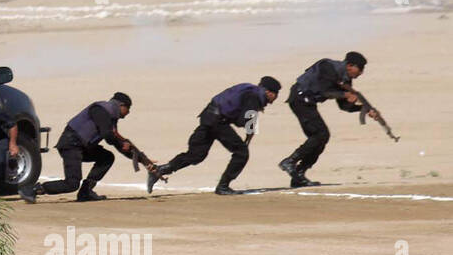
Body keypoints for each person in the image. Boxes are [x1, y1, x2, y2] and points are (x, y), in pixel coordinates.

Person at [147, 76, 281, 195]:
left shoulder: (248, 89)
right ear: (268, 91)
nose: (276, 97)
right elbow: (246, 120)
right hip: (218, 121)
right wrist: (249, 135)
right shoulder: (254, 97)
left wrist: (248, 128)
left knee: (196, 155)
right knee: (242, 153)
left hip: (208, 116)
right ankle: (223, 186)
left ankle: (160, 170)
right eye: (276, 93)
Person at [279, 51, 376, 187]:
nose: (361, 73)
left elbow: (344, 106)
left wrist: (363, 109)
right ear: (350, 65)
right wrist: (345, 94)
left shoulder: (346, 79)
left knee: (321, 137)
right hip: (299, 98)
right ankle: (290, 162)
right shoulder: (328, 67)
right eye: (360, 69)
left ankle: (298, 175)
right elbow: (324, 91)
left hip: (308, 102)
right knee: (321, 134)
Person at [33, 92, 149, 202]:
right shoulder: (101, 110)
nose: (128, 112)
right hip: (71, 146)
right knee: (72, 184)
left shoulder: (110, 117)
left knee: (107, 157)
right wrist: (122, 144)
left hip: (81, 147)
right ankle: (36, 189)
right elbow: (108, 136)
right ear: (121, 105)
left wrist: (142, 160)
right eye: (128, 108)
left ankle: (86, 191)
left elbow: (117, 143)